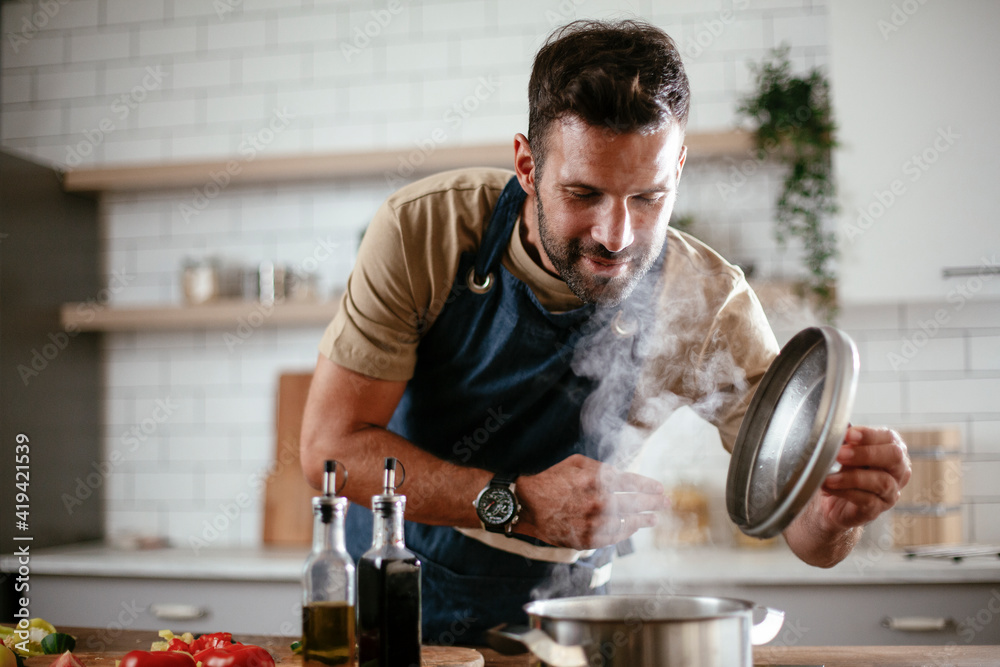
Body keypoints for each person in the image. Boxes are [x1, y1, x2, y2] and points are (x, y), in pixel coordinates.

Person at [300, 19, 911, 643]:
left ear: (679, 167)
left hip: (571, 627)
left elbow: (809, 538)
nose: (615, 236)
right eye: (583, 193)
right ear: (527, 165)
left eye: (648, 197)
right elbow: (331, 451)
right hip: (398, 608)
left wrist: (834, 512)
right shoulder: (423, 232)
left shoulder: (708, 303)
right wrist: (521, 504)